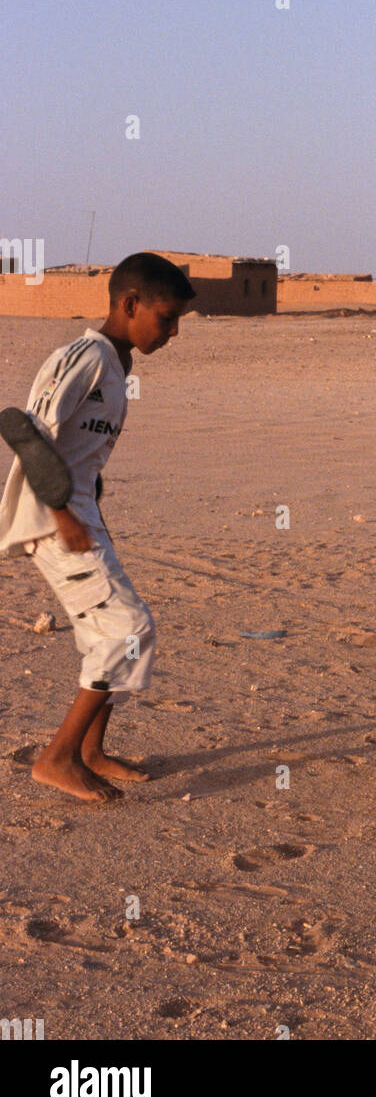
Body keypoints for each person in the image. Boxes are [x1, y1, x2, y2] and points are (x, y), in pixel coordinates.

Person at [0, 252, 195, 801]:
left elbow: (82, 454)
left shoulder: (117, 363)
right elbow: (18, 425)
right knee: (128, 630)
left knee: (104, 635)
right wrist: (62, 512)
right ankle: (56, 757)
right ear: (130, 304)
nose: (174, 331)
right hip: (53, 520)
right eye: (167, 317)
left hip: (82, 516)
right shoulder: (85, 356)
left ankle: (90, 751)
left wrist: (90, 510)